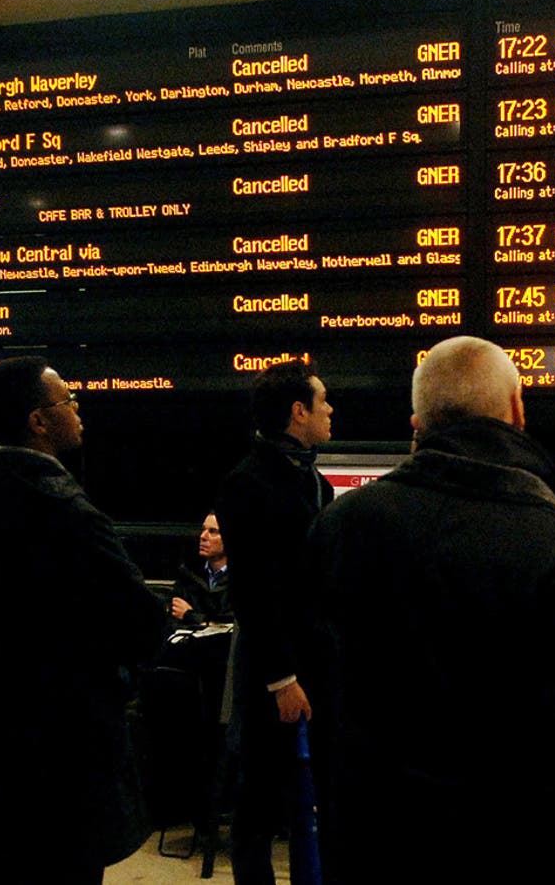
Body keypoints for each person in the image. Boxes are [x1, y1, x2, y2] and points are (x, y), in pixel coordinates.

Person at [306, 335, 555, 885]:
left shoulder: (339, 527)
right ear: (516, 410)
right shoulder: (554, 544)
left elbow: (324, 701)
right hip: (510, 852)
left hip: (372, 847)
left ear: (417, 423)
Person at [0, 356, 166, 884]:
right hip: (64, 744)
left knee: (9, 862)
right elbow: (141, 617)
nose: (77, 409)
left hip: (3, 733)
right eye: (66, 400)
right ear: (38, 421)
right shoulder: (59, 503)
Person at [216, 359, 335, 885]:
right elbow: (255, 593)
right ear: (297, 412)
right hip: (275, 674)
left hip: (319, 663)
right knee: (259, 800)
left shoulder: (312, 480)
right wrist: (282, 679)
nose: (330, 410)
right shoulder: (250, 483)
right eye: (323, 401)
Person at [169, 512, 232, 628]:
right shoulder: (188, 575)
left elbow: (229, 627)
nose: (203, 536)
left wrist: (191, 616)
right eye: (203, 530)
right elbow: (174, 618)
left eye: (213, 531)